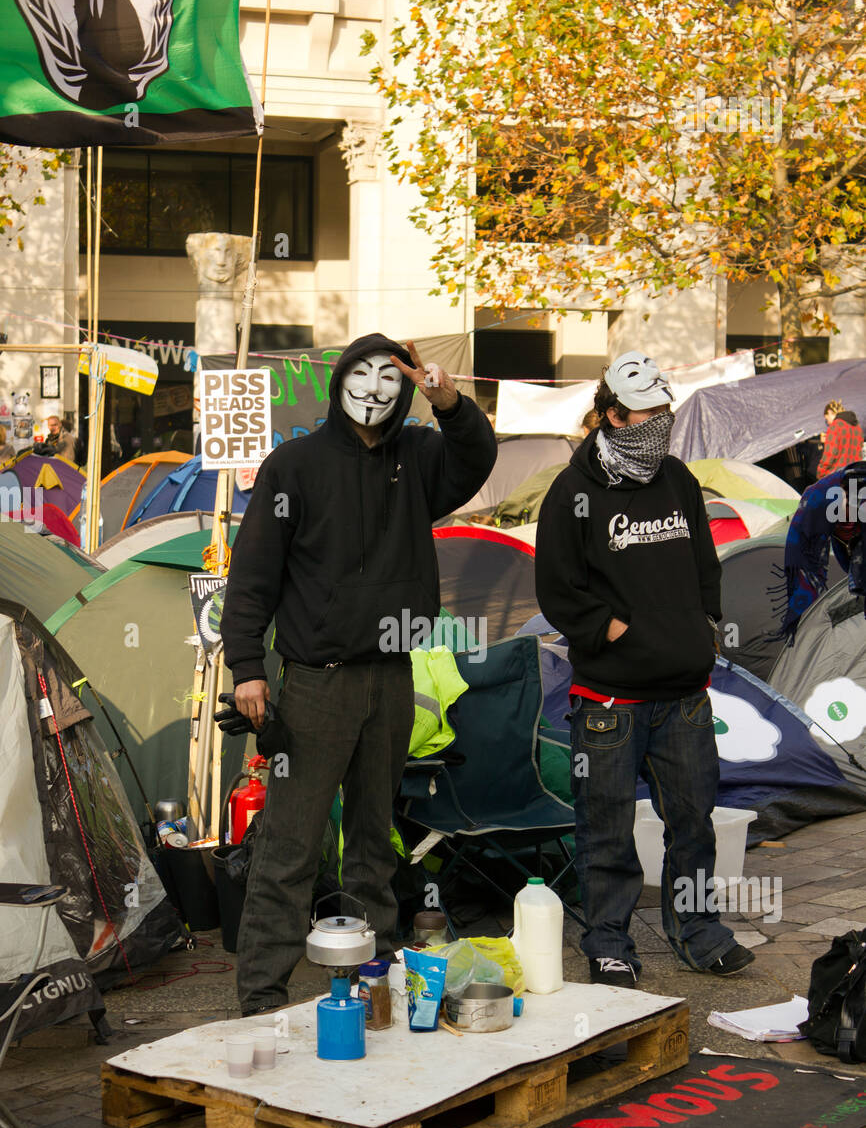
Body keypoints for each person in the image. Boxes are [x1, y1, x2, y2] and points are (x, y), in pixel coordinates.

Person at [220, 333, 497, 1015]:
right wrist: (248, 668)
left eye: (388, 379)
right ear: (340, 381)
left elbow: (476, 457)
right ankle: (261, 998)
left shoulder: (419, 458)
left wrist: (450, 402)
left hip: (391, 682)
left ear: (404, 392)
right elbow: (252, 576)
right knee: (291, 846)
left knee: (375, 844)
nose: (374, 389)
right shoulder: (295, 466)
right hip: (316, 683)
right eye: (361, 375)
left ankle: (374, 990)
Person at [535, 351, 755, 988]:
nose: (659, 424)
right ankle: (608, 943)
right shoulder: (572, 491)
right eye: (646, 414)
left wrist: (703, 625)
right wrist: (610, 630)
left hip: (685, 693)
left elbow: (705, 564)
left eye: (666, 412)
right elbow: (557, 585)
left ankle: (700, 932)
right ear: (610, 415)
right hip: (610, 700)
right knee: (606, 830)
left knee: (693, 823)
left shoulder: (679, 480)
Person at [816, 402, 864, 480]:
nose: (827, 423)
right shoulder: (857, 427)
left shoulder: (835, 426)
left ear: (830, 413)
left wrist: (820, 473)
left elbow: (829, 456)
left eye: (826, 419)